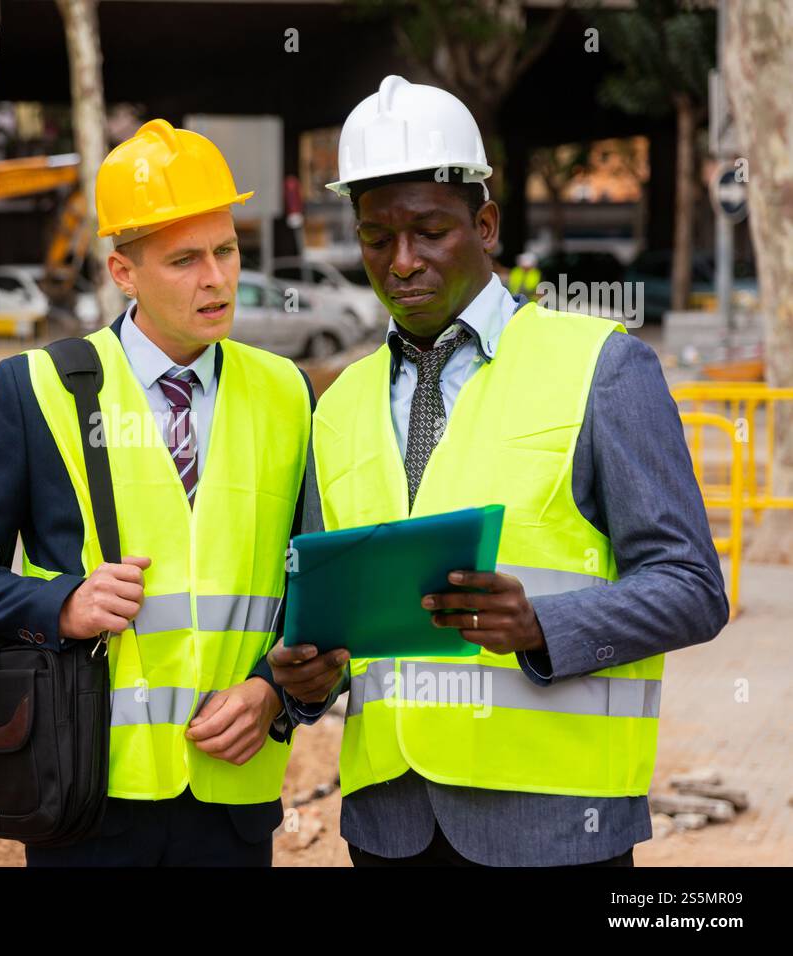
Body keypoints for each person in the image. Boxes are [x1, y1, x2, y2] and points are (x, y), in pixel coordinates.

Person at [269, 75, 728, 867]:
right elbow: (332, 616)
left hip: (553, 829)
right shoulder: (337, 406)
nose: (402, 261)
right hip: (389, 827)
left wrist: (544, 627)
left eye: (430, 231)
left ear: (484, 225)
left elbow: (692, 586)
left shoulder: (601, 367)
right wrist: (306, 682)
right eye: (377, 238)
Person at [0, 119, 315, 866]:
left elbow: (314, 577)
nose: (218, 279)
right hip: (85, 797)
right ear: (123, 272)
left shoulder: (286, 393)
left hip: (233, 802)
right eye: (185, 260)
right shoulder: (37, 389)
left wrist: (273, 693)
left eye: (226, 251)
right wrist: (58, 605)